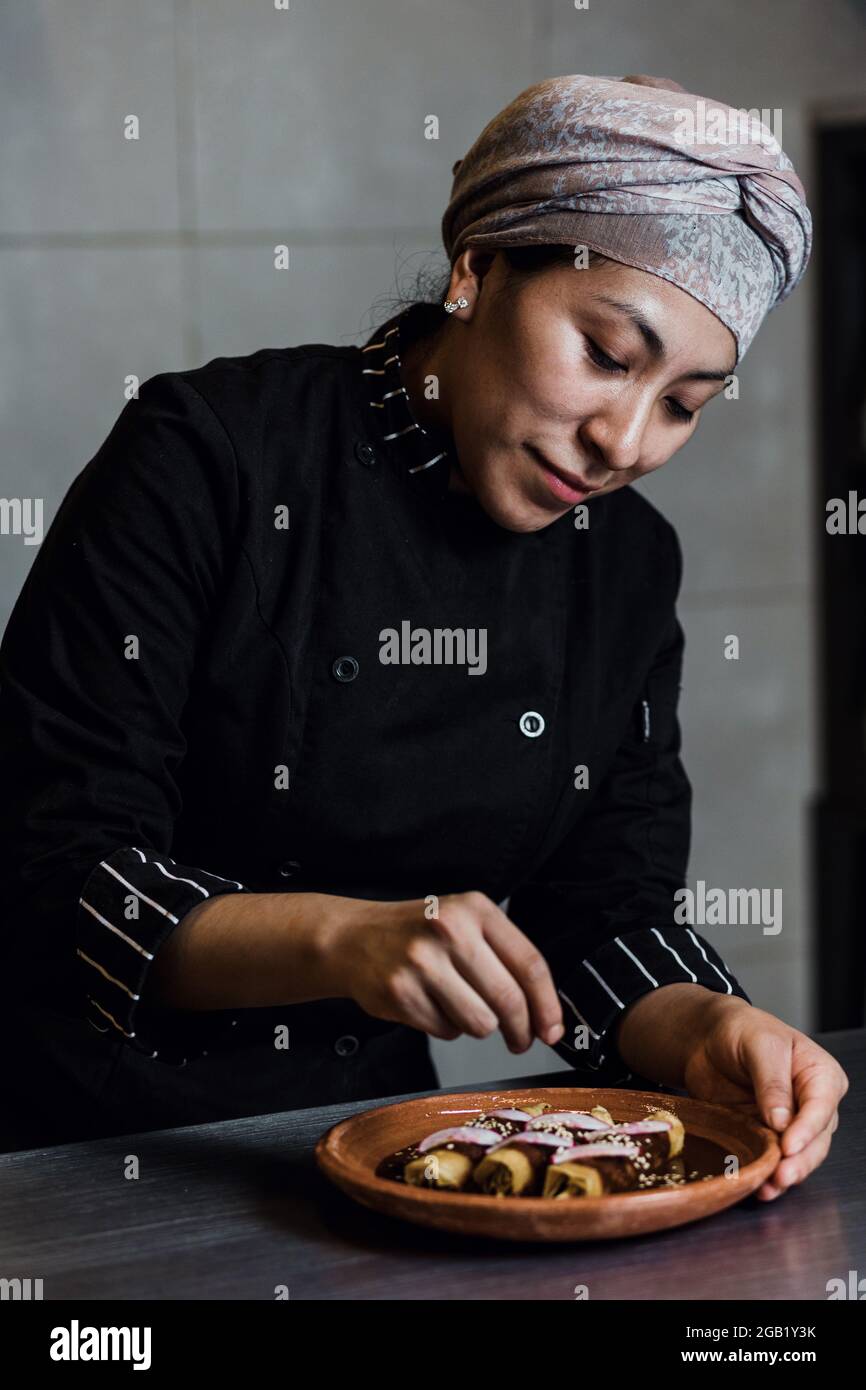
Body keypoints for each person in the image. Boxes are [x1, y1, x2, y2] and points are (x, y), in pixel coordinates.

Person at [0, 73, 846, 1199]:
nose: (624, 441)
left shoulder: (626, 562)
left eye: (684, 402)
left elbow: (602, 914)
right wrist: (342, 942)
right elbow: (56, 874)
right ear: (477, 267)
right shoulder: (209, 458)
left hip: (380, 1157)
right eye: (604, 353)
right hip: (77, 1156)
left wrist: (706, 1031)